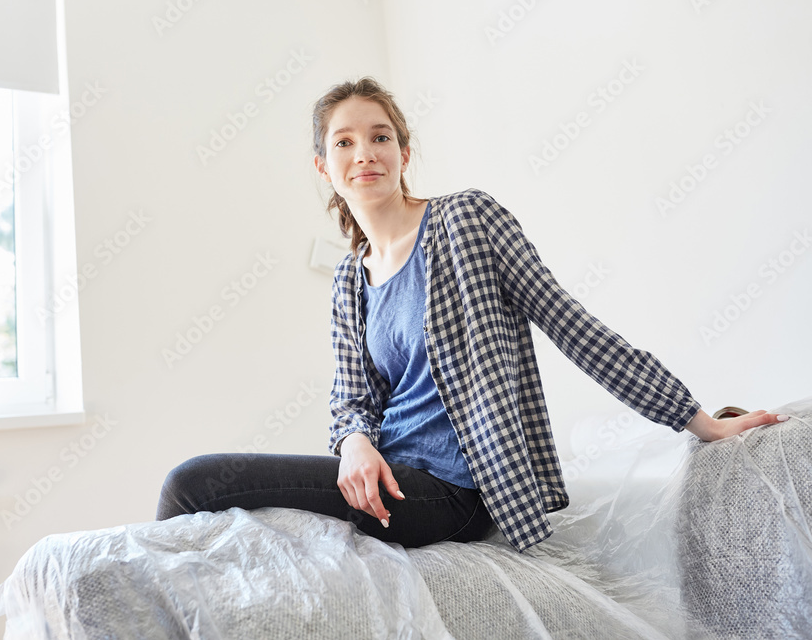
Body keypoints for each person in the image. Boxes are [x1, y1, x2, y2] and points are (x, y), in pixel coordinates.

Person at [156, 76, 791, 552]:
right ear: (325, 167)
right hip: (385, 475)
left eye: (380, 136)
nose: (365, 152)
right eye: (344, 142)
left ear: (405, 151)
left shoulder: (467, 221)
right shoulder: (350, 281)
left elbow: (570, 323)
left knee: (192, 484)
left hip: (453, 492)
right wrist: (352, 444)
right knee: (221, 515)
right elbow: (352, 399)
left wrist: (695, 418)